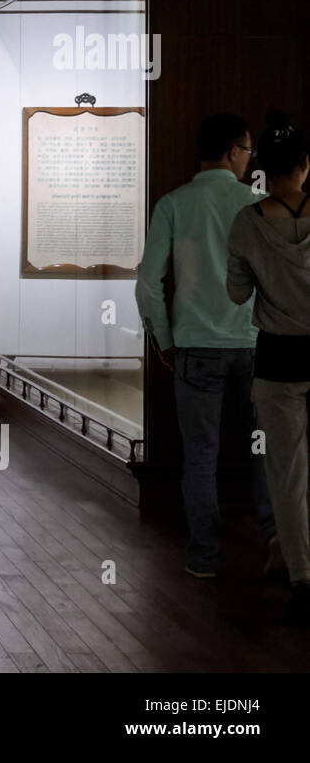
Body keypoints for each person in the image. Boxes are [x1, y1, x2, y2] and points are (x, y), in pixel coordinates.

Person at [136, 114, 277, 579]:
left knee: (199, 455)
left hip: (194, 348)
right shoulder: (257, 204)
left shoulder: (173, 204)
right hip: (255, 345)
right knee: (264, 448)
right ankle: (277, 544)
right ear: (234, 152)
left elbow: (148, 283)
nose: (248, 160)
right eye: (248, 152)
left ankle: (204, 558)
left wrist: (165, 336)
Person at [227, 110, 310, 623]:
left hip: (278, 358)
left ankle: (302, 577)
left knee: (288, 473)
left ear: (263, 169)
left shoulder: (248, 222)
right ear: (305, 165)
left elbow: (236, 292)